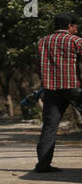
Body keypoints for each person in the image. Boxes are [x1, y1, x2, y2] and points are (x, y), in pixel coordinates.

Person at [34, 13, 82, 173]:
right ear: (70, 26)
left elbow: (38, 66)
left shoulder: (41, 42)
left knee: (49, 127)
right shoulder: (75, 41)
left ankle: (43, 165)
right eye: (75, 26)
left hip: (51, 90)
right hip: (73, 87)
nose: (76, 29)